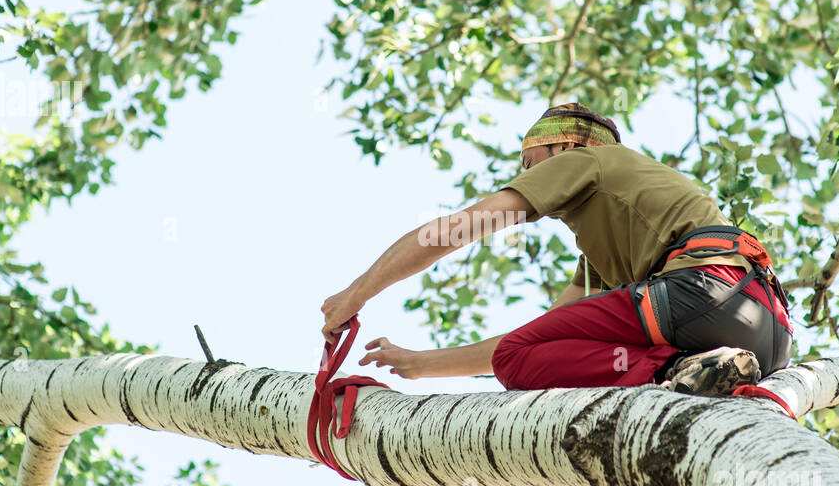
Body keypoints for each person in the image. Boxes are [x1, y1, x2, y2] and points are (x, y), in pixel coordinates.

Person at [319, 102, 792, 396]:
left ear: (562, 148)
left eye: (530, 164)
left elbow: (450, 232)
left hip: (701, 293)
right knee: (528, 353)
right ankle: (692, 378)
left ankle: (671, 368)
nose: (526, 175)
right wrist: (419, 365)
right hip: (768, 331)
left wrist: (355, 294)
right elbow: (532, 342)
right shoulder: (610, 253)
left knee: (525, 359)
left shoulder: (589, 159)